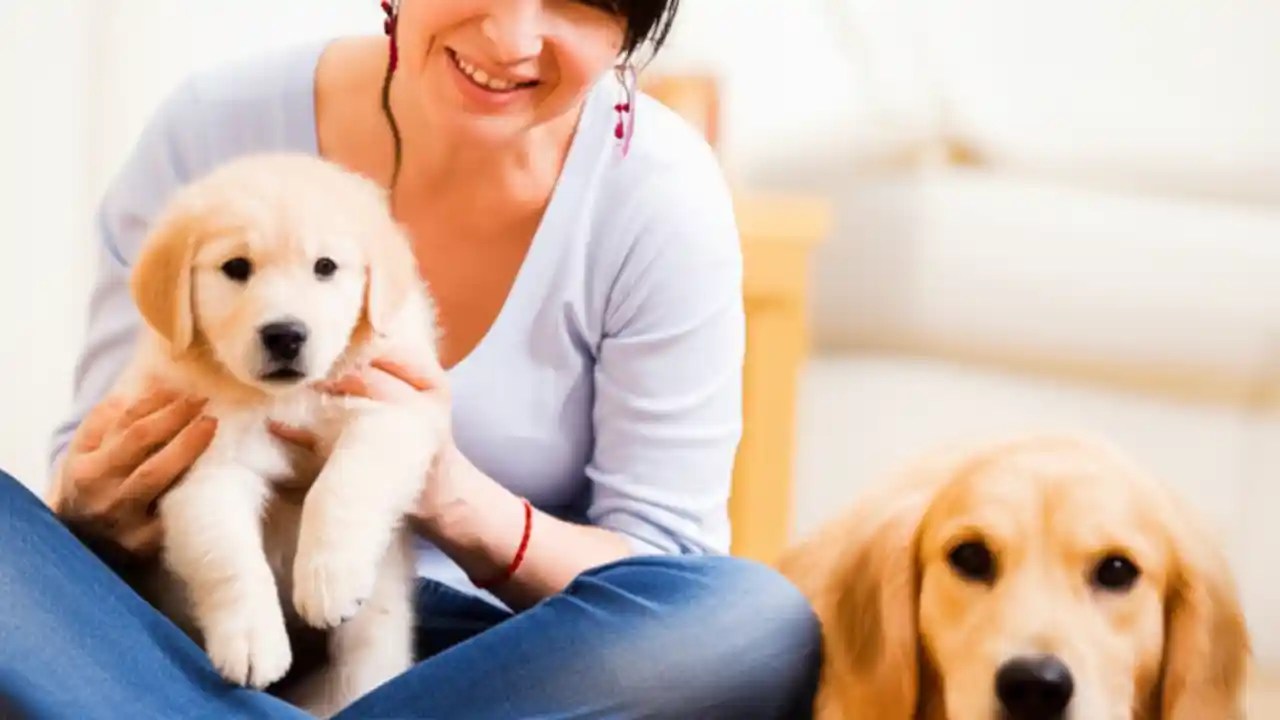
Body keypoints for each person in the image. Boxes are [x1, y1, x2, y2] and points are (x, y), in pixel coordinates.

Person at [0, 1, 822, 718]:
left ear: (634, 22)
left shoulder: (659, 195)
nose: (511, 35)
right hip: (189, 628)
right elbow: (71, 513)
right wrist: (94, 502)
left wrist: (459, 503)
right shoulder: (215, 127)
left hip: (486, 660)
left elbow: (665, 573)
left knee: (752, 619)